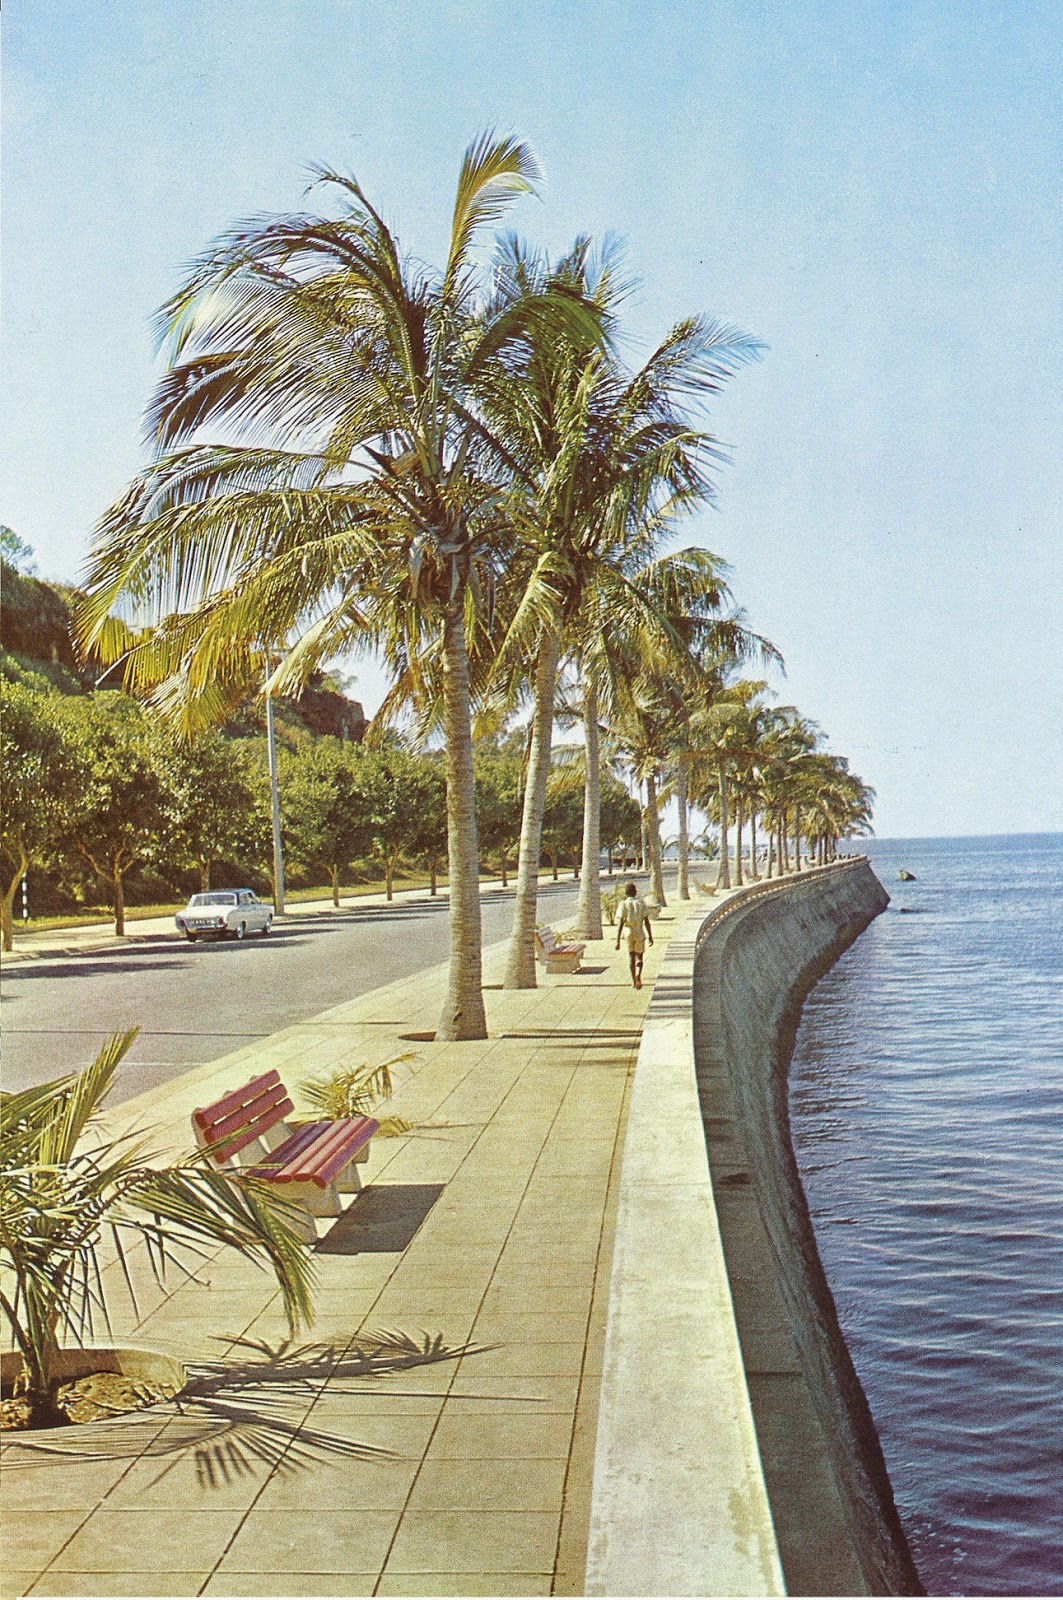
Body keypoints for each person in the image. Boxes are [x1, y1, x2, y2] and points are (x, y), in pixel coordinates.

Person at [615, 881, 653, 988]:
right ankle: (638, 974)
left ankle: (633, 981)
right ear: (635, 892)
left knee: (631, 957)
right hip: (639, 931)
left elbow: (620, 923)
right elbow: (646, 922)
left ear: (626, 893)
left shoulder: (623, 904)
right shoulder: (640, 903)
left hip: (628, 932)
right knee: (639, 956)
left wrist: (617, 940)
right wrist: (650, 936)